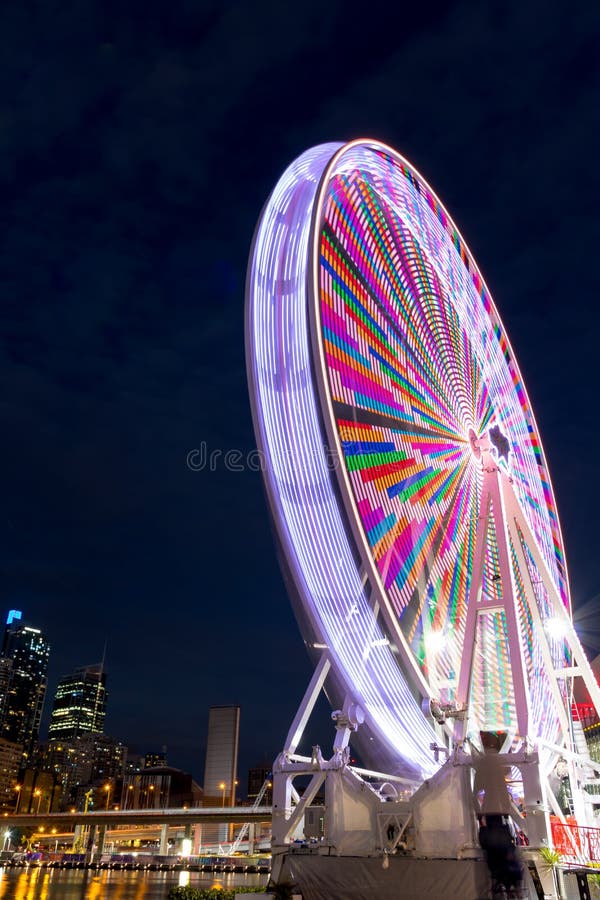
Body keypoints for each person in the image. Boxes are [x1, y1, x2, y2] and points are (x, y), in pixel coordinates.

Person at [472, 731, 524, 898]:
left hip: (490, 814)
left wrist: (479, 815)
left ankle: (499, 885)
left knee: (495, 857)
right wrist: (507, 809)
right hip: (499, 814)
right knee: (503, 849)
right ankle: (511, 888)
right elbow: (502, 791)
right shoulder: (497, 764)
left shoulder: (483, 764)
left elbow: (476, 791)